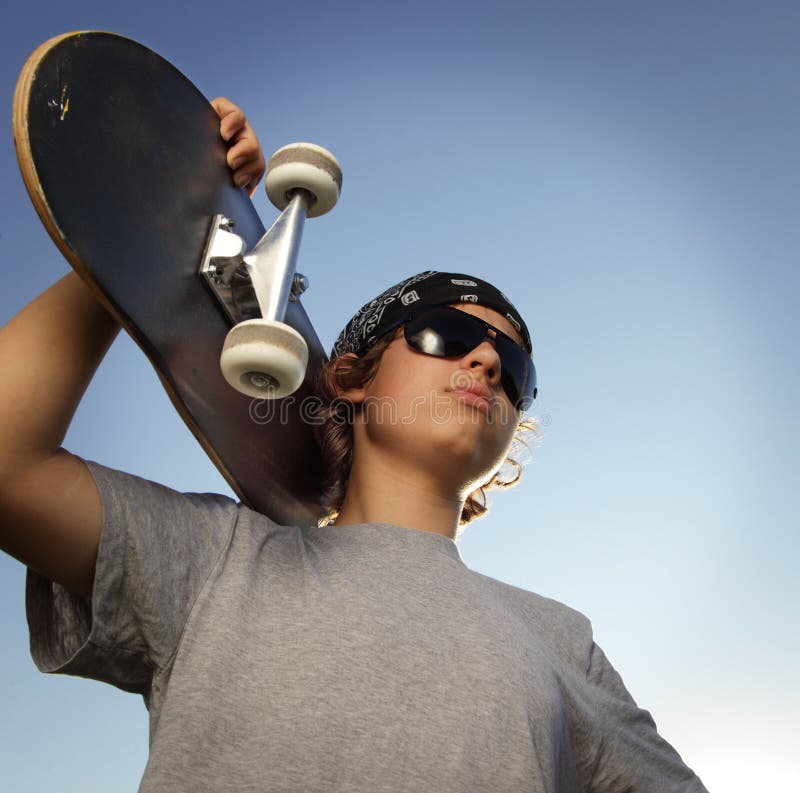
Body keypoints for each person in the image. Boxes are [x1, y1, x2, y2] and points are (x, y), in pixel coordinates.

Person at [0, 102, 708, 792]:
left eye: (513, 369)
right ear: (352, 378)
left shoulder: (561, 639)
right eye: (448, 338)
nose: (488, 365)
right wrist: (154, 229)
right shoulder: (216, 556)